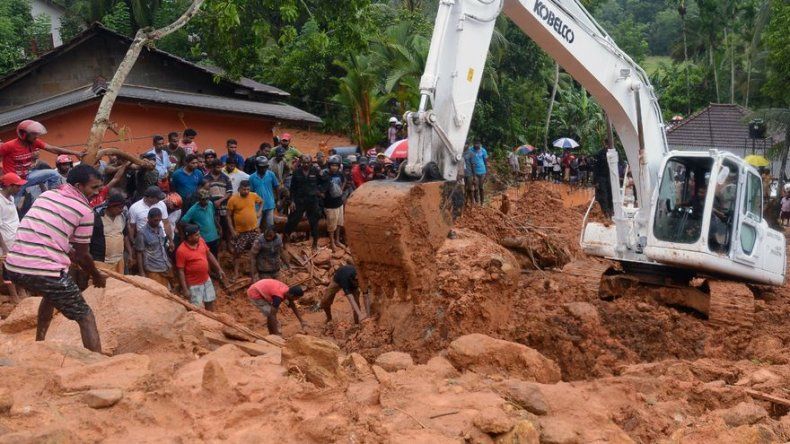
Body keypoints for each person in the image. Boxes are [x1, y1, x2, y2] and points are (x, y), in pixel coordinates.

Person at [4, 164, 106, 352]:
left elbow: (46, 231)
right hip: (43, 269)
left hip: (13, 266)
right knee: (86, 316)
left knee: (51, 295)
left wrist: (68, 252)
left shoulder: (47, 195)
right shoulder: (84, 211)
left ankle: (40, 343)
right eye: (94, 187)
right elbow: (83, 256)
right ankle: (98, 365)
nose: (97, 192)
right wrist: (96, 275)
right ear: (78, 186)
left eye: (99, 187)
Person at [0, 120, 83, 179]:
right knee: (13, 202)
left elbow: (52, 149)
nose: (36, 136)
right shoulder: (8, 146)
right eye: (33, 134)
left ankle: (52, 197)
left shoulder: (35, 142)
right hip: (13, 182)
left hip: (27, 177)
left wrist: (76, 153)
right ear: (23, 134)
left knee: (54, 174)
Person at [176, 224, 226, 310]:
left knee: (210, 300)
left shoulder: (201, 241)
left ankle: (210, 318)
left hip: (206, 279)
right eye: (197, 235)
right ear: (189, 237)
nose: (199, 236)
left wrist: (219, 269)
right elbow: (180, 271)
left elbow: (209, 255)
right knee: (196, 308)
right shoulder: (181, 251)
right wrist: (185, 289)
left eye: (199, 234)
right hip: (193, 284)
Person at [284, 155, 323, 250]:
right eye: (304, 162)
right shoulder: (297, 172)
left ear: (310, 162)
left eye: (307, 162)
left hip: (312, 201)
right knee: (293, 220)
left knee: (314, 222)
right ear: (301, 162)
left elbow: (325, 181)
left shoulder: (315, 171)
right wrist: (292, 201)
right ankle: (284, 239)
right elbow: (292, 188)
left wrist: (320, 190)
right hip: (299, 201)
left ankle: (315, 243)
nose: (305, 164)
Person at [226, 180, 262, 278]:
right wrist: (232, 230)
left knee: (257, 250)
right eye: (244, 189)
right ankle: (236, 273)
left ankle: (255, 271)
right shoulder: (233, 199)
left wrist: (259, 212)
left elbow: (261, 202)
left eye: (248, 189)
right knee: (238, 252)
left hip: (254, 230)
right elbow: (228, 216)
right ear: (239, 189)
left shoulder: (253, 195)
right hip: (241, 232)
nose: (246, 191)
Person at [89, 191, 132, 274]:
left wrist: (129, 253)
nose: (121, 210)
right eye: (119, 208)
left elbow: (125, 236)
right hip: (101, 260)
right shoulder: (97, 218)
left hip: (119, 260)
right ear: (110, 207)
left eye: (122, 207)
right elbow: (88, 239)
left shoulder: (122, 217)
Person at [0, 173, 27, 302]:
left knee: (20, 266)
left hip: (17, 238)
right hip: (6, 241)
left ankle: (21, 290)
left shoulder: (10, 198)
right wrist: (4, 248)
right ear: (9, 186)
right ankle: (14, 296)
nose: (19, 189)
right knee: (8, 268)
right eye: (17, 186)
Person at [134, 207, 173, 288]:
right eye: (155, 220)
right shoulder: (142, 233)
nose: (158, 222)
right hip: (152, 268)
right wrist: (141, 272)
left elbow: (161, 246)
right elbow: (139, 253)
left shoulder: (160, 228)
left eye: (159, 220)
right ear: (148, 218)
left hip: (164, 265)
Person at [180, 189, 221, 257]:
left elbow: (213, 216)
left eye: (207, 198)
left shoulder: (210, 204)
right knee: (204, 258)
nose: (206, 201)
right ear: (199, 199)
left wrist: (219, 227)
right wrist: (195, 227)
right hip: (203, 239)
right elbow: (182, 222)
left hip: (214, 236)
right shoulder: (193, 209)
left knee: (214, 256)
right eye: (204, 199)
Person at [249, 156, 279, 229]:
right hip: (257, 206)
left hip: (269, 204)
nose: (263, 169)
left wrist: (277, 199)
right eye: (261, 167)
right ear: (256, 167)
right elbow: (251, 192)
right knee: (256, 226)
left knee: (270, 226)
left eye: (265, 167)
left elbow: (276, 187)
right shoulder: (252, 177)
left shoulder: (271, 174)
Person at [323, 155, 346, 250]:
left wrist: (341, 190)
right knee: (331, 225)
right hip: (329, 204)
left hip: (339, 202)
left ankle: (337, 240)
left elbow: (344, 181)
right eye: (332, 165)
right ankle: (332, 242)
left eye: (336, 165)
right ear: (329, 166)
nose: (334, 167)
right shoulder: (325, 175)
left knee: (339, 223)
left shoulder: (340, 174)